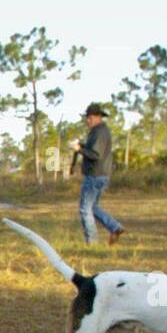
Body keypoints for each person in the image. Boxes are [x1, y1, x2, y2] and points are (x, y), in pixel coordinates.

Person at [70, 102, 125, 246]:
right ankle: (114, 227)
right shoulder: (100, 132)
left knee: (84, 208)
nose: (88, 120)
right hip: (102, 174)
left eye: (90, 117)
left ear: (98, 117)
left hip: (95, 175)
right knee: (92, 207)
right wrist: (82, 146)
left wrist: (79, 150)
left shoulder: (99, 132)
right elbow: (93, 150)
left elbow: (95, 155)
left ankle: (92, 243)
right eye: (87, 117)